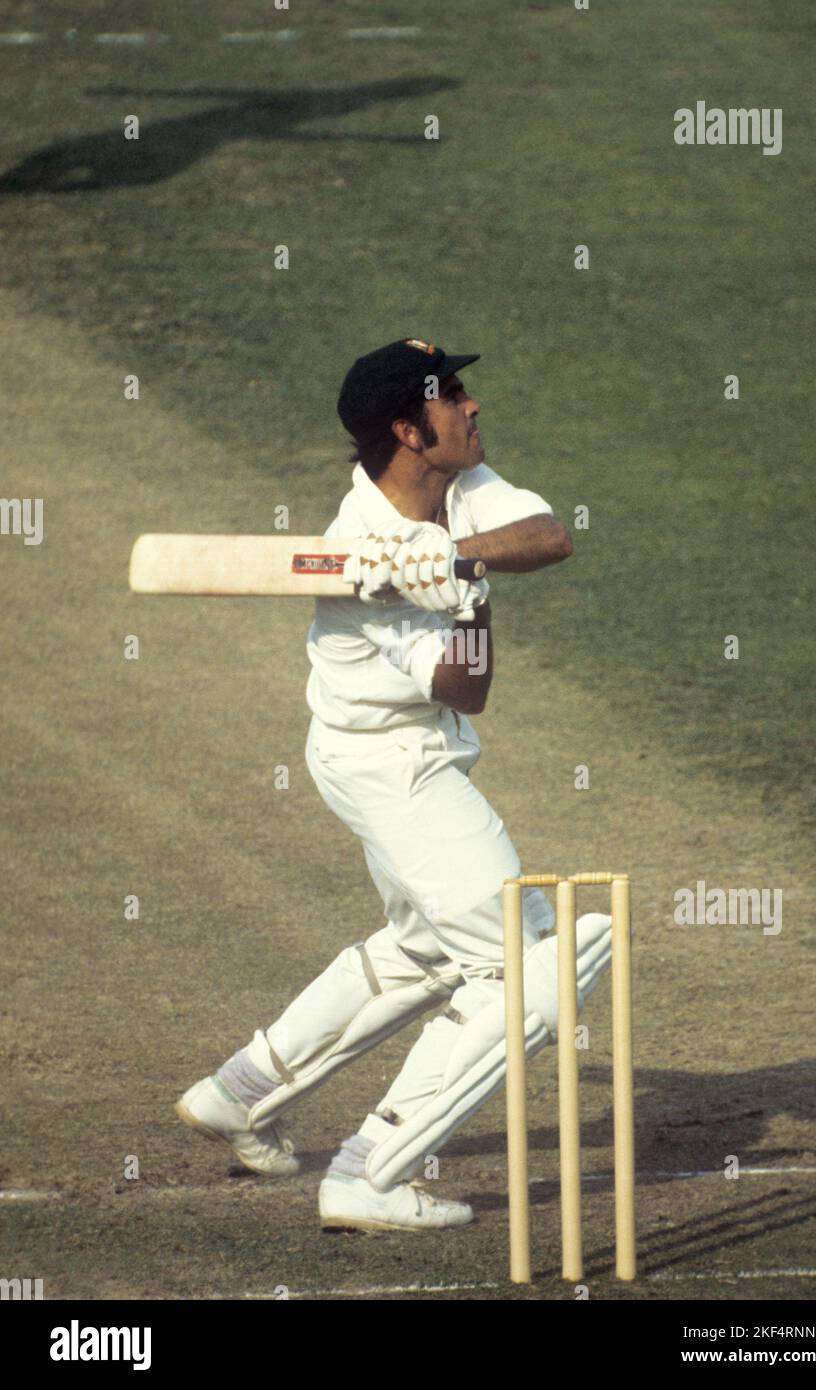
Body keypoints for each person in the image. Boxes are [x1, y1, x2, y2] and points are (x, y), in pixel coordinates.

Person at [176, 338, 614, 1232]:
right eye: (452, 395)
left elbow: (552, 537)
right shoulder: (359, 557)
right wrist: (457, 599)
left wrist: (457, 563)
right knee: (538, 960)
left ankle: (244, 1088)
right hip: (392, 765)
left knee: (429, 950)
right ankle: (372, 1171)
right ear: (408, 429)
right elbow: (470, 689)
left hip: (391, 750)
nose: (474, 406)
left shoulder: (459, 483)